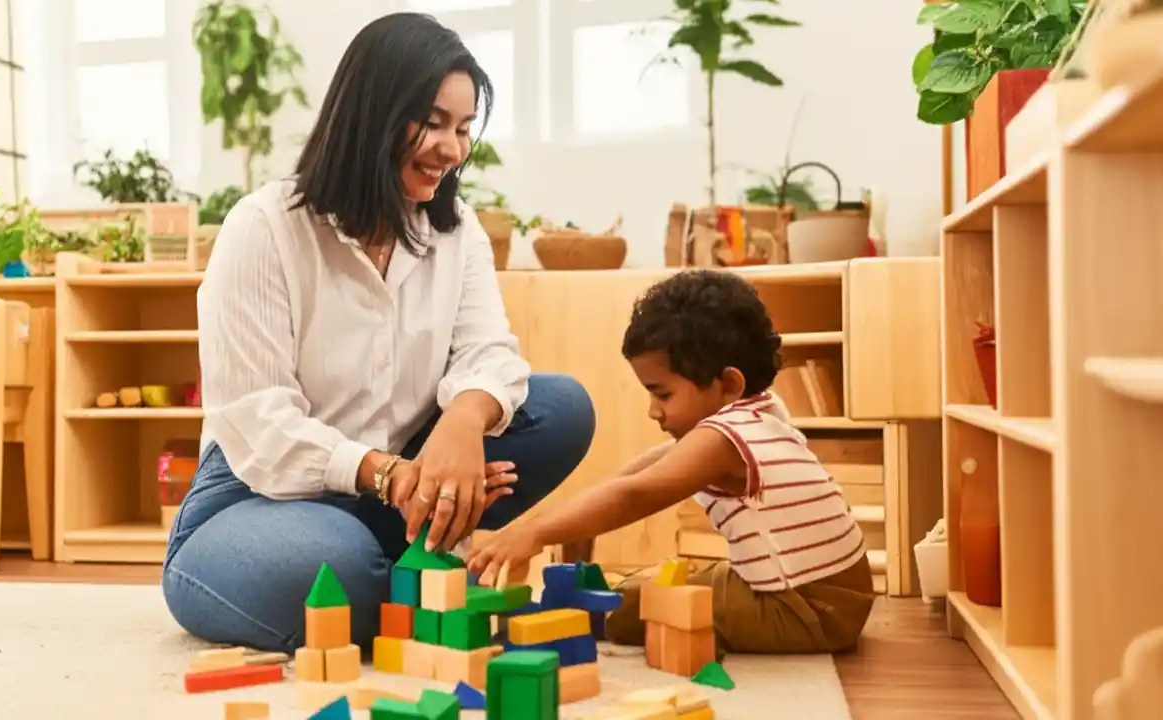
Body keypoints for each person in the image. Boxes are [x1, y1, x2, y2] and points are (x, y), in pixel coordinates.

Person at [162, 12, 595, 654]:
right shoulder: (263, 229)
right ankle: (405, 568)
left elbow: (489, 353)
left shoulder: (456, 230)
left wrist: (462, 423)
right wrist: (389, 474)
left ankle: (409, 562)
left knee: (561, 409)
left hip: (400, 483)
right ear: (372, 114)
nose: (451, 149)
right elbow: (259, 423)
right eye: (433, 122)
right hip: (260, 493)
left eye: (464, 128)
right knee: (341, 570)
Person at [469, 269, 875, 654]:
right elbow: (639, 472)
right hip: (824, 595)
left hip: (807, 611)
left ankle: (568, 623)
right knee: (659, 584)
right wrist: (570, 528)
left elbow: (636, 494)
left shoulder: (726, 438)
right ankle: (595, 604)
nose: (653, 411)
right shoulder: (759, 414)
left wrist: (532, 534)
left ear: (729, 384)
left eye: (663, 395)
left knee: (639, 608)